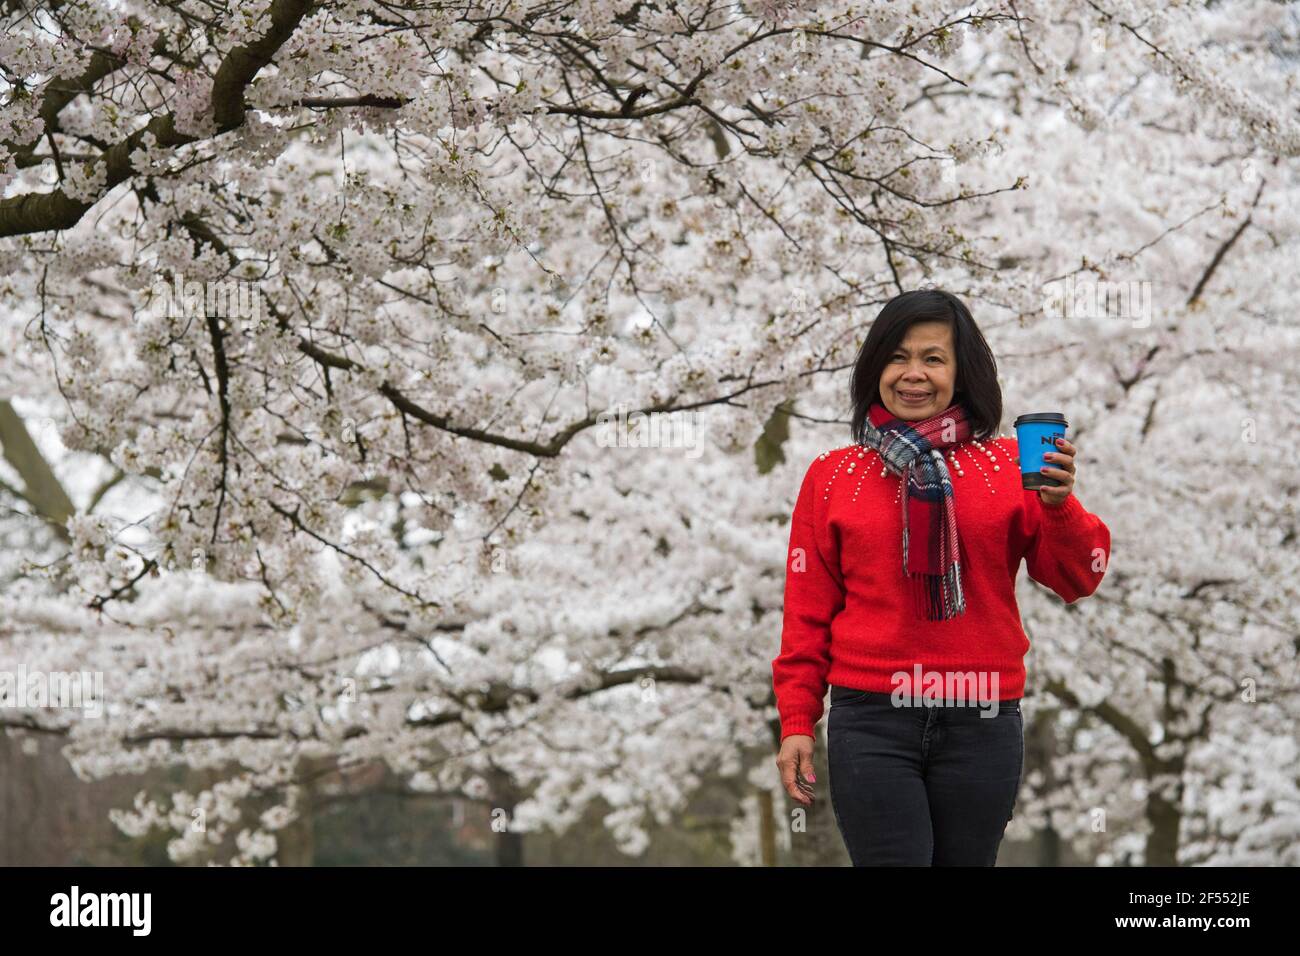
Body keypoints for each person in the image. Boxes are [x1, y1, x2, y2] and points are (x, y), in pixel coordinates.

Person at [771, 289, 1111, 865]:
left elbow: (1079, 576)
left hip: (982, 717)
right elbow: (806, 614)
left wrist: (1060, 506)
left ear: (961, 372)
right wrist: (798, 719)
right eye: (898, 357)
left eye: (933, 358)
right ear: (875, 365)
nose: (913, 374)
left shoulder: (1010, 467)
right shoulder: (833, 476)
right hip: (870, 718)